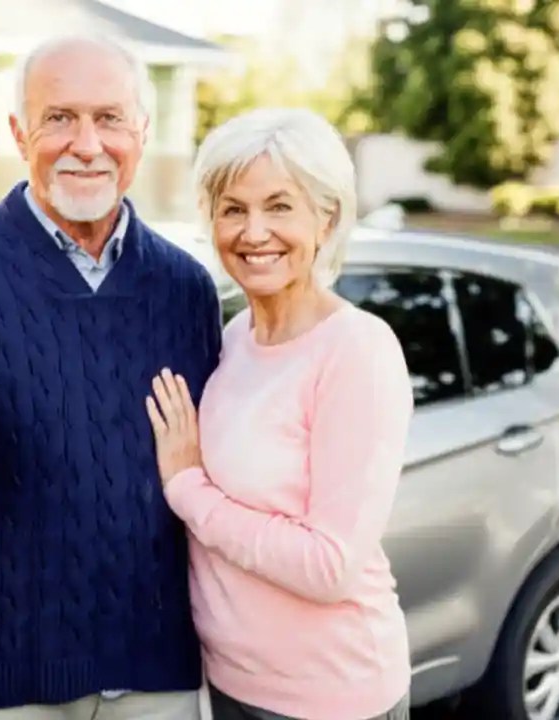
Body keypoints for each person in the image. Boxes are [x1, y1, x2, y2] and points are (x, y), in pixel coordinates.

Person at [0, 33, 222, 720]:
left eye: (109, 117)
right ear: (20, 132)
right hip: (0, 681)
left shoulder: (186, 288)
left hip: (154, 674)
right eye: (60, 118)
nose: (87, 143)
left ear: (141, 131)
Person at [145, 107, 415, 720]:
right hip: (231, 685)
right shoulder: (236, 336)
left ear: (327, 217)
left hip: (333, 696)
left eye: (279, 206)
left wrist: (188, 489)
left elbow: (329, 566)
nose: (253, 230)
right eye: (232, 208)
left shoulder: (358, 351)